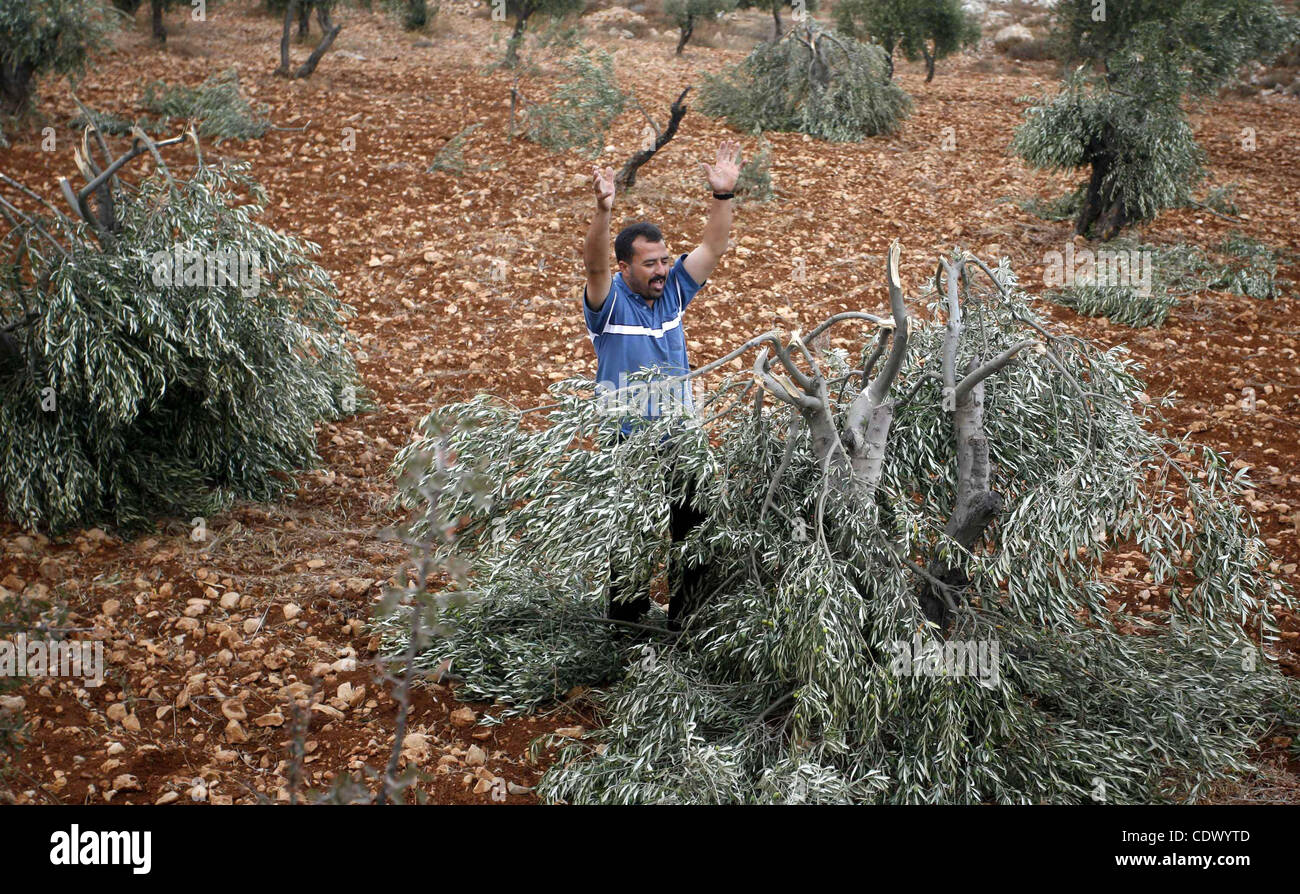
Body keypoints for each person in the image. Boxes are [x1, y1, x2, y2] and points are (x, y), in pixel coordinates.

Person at [581, 140, 743, 632]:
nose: (661, 270)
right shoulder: (608, 305)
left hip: (680, 438)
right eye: (650, 263)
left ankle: (687, 625)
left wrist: (723, 196)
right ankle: (625, 630)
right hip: (626, 441)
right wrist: (603, 210)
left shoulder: (672, 292)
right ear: (624, 268)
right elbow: (593, 264)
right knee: (628, 536)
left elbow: (713, 246)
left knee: (692, 532)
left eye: (665, 260)